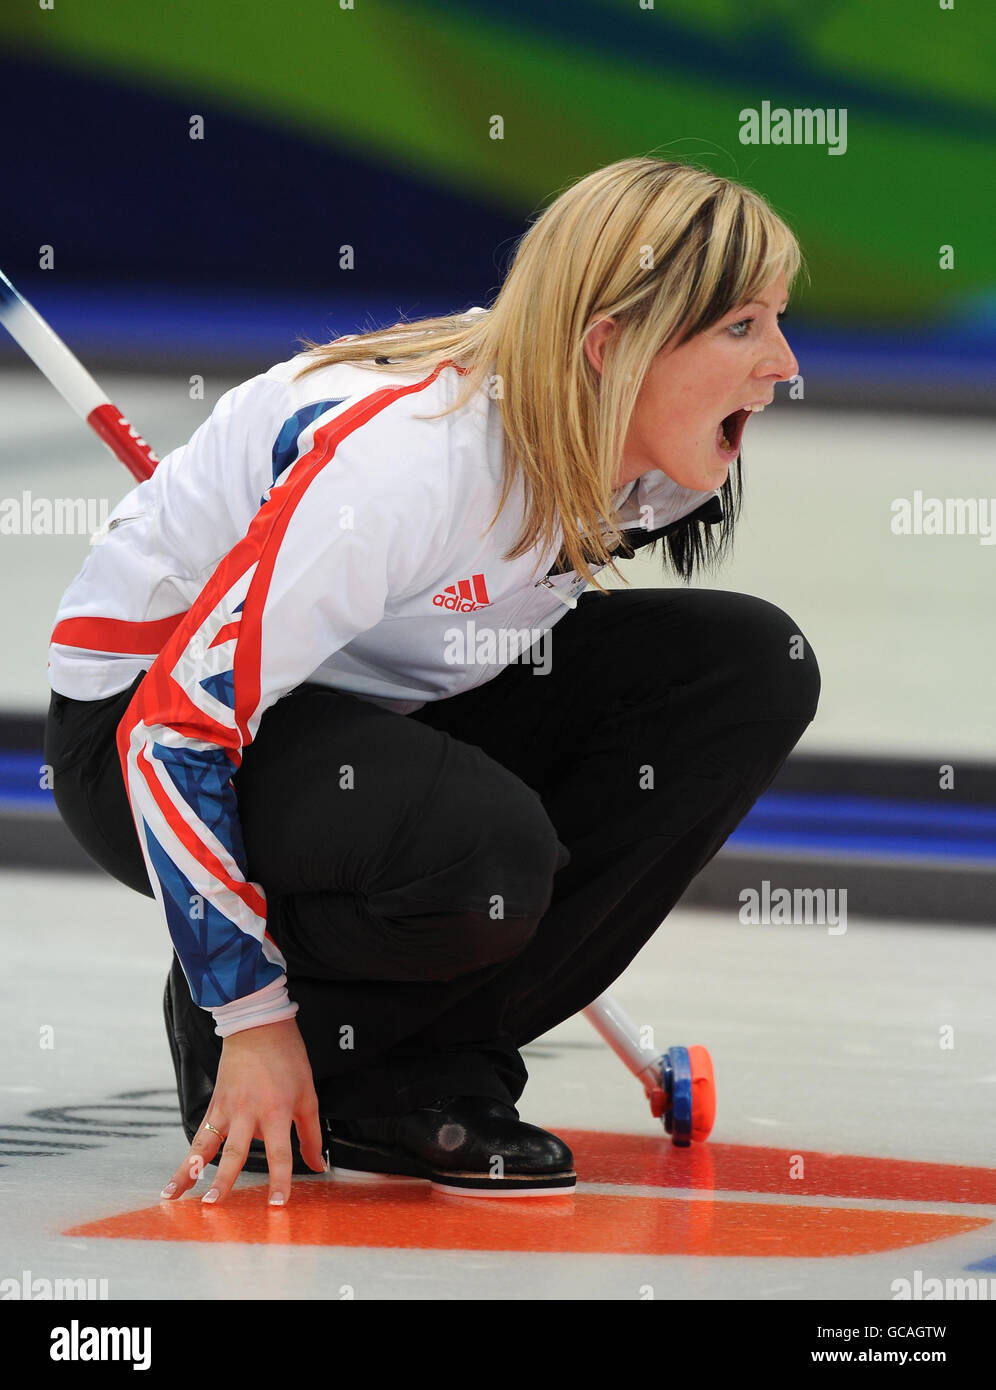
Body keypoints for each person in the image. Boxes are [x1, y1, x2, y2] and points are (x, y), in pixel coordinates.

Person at [43, 155, 819, 1206]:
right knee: (483, 854)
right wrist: (252, 1015)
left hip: (378, 691)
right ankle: (275, 1017)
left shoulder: (645, 448)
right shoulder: (408, 469)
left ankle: (420, 1071)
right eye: (742, 328)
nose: (784, 363)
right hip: (145, 735)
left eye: (775, 318)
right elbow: (170, 737)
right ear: (609, 346)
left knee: (743, 668)